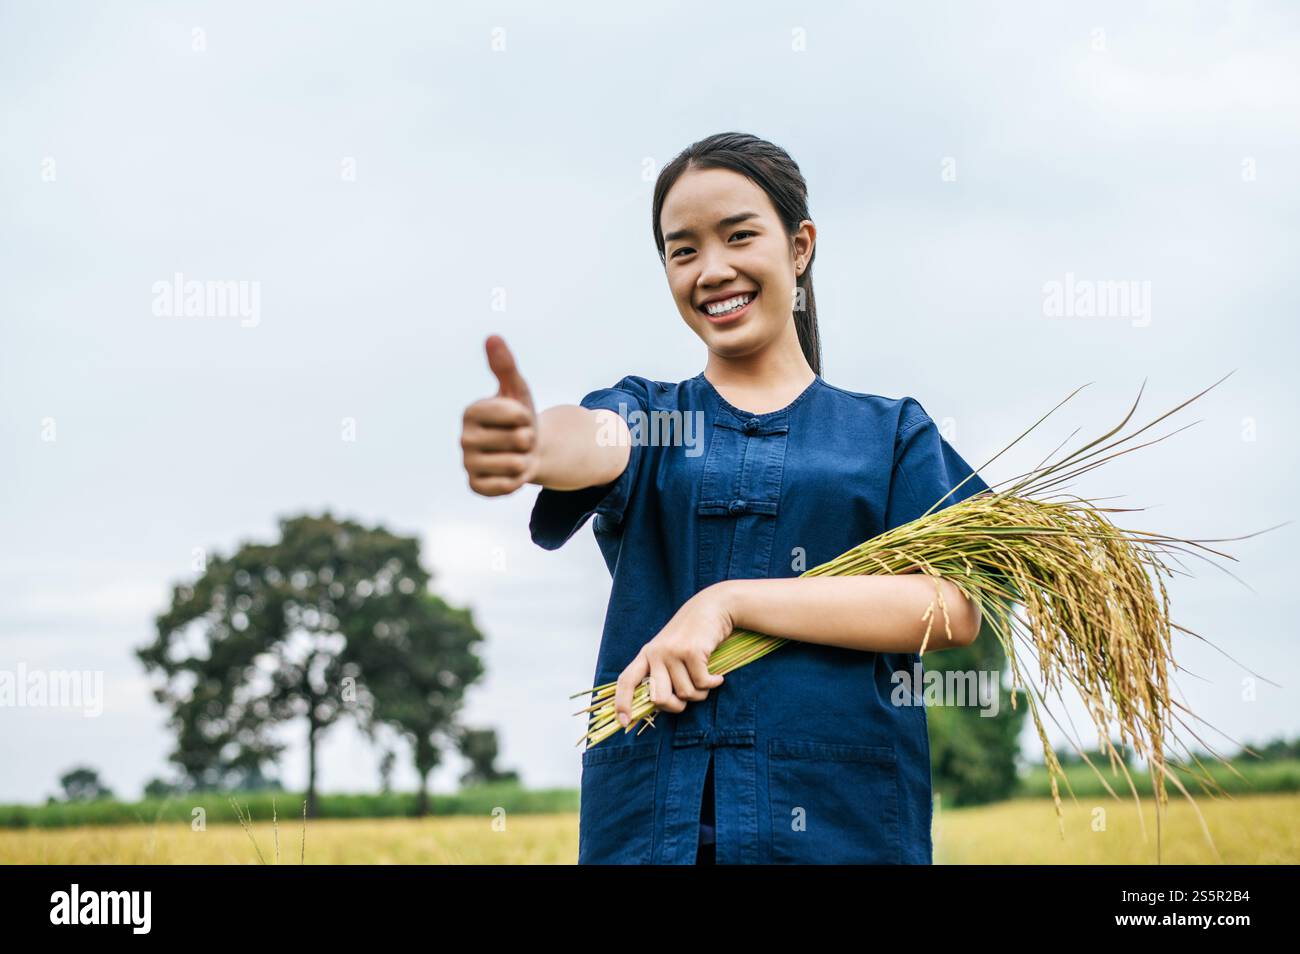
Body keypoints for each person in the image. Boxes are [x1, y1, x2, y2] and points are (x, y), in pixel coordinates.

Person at [460, 132, 991, 865]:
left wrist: (732, 602)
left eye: (739, 236)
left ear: (799, 245)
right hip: (652, 830)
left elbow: (952, 608)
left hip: (842, 829)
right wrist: (533, 445)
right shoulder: (656, 416)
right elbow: (595, 438)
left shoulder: (889, 434)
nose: (712, 270)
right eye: (683, 251)